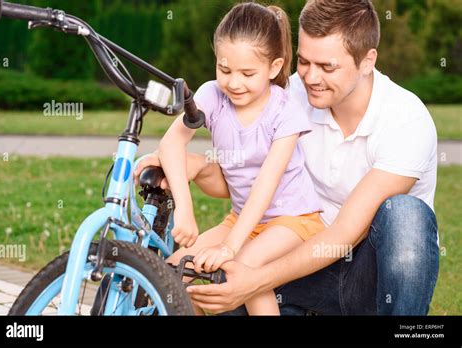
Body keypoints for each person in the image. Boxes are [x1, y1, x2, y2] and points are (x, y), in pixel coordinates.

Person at [135, 0, 439, 315]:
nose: (310, 77)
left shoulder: (405, 119)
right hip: (293, 268)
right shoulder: (288, 93)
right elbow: (247, 174)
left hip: (364, 276)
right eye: (305, 62)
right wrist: (193, 165)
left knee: (406, 214)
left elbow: (345, 233)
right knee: (195, 282)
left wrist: (252, 278)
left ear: (367, 60)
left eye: (328, 66)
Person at [155, 2, 326, 315]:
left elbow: (265, 187)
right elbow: (170, 145)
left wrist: (229, 247)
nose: (234, 83)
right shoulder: (211, 96)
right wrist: (185, 210)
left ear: (274, 68)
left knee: (242, 267)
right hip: (241, 219)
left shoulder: (285, 112)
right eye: (225, 69)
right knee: (170, 272)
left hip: (292, 220)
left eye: (248, 73)